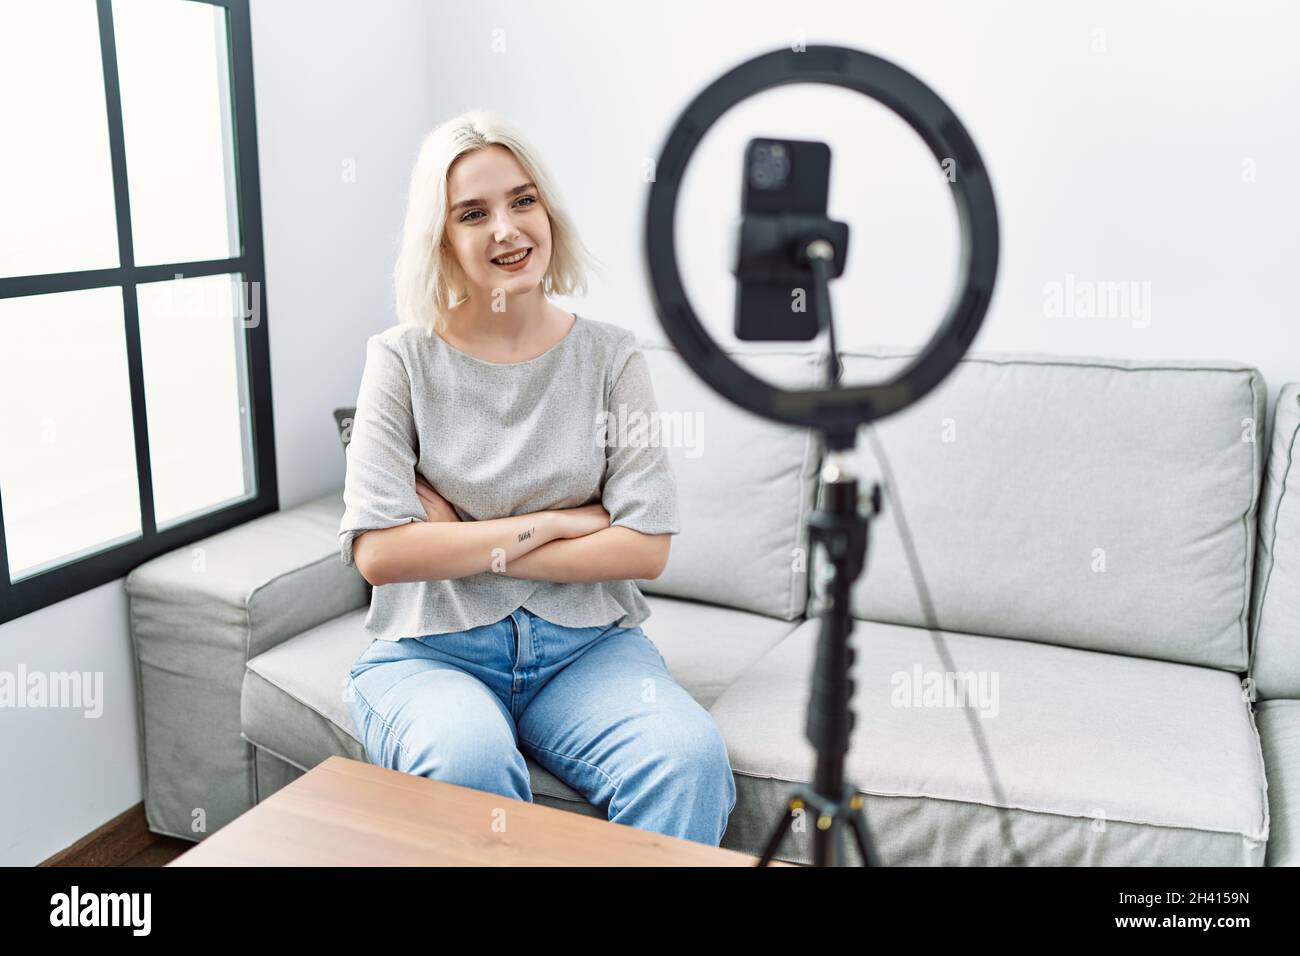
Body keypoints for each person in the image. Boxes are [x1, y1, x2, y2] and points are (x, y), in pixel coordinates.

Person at [338, 109, 736, 847]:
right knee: (468, 760)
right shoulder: (400, 359)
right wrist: (561, 522)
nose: (507, 229)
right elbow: (382, 554)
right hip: (432, 650)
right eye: (473, 213)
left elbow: (645, 548)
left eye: (523, 200)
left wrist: (458, 537)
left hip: (588, 650)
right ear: (443, 239)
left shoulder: (614, 358)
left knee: (688, 761)